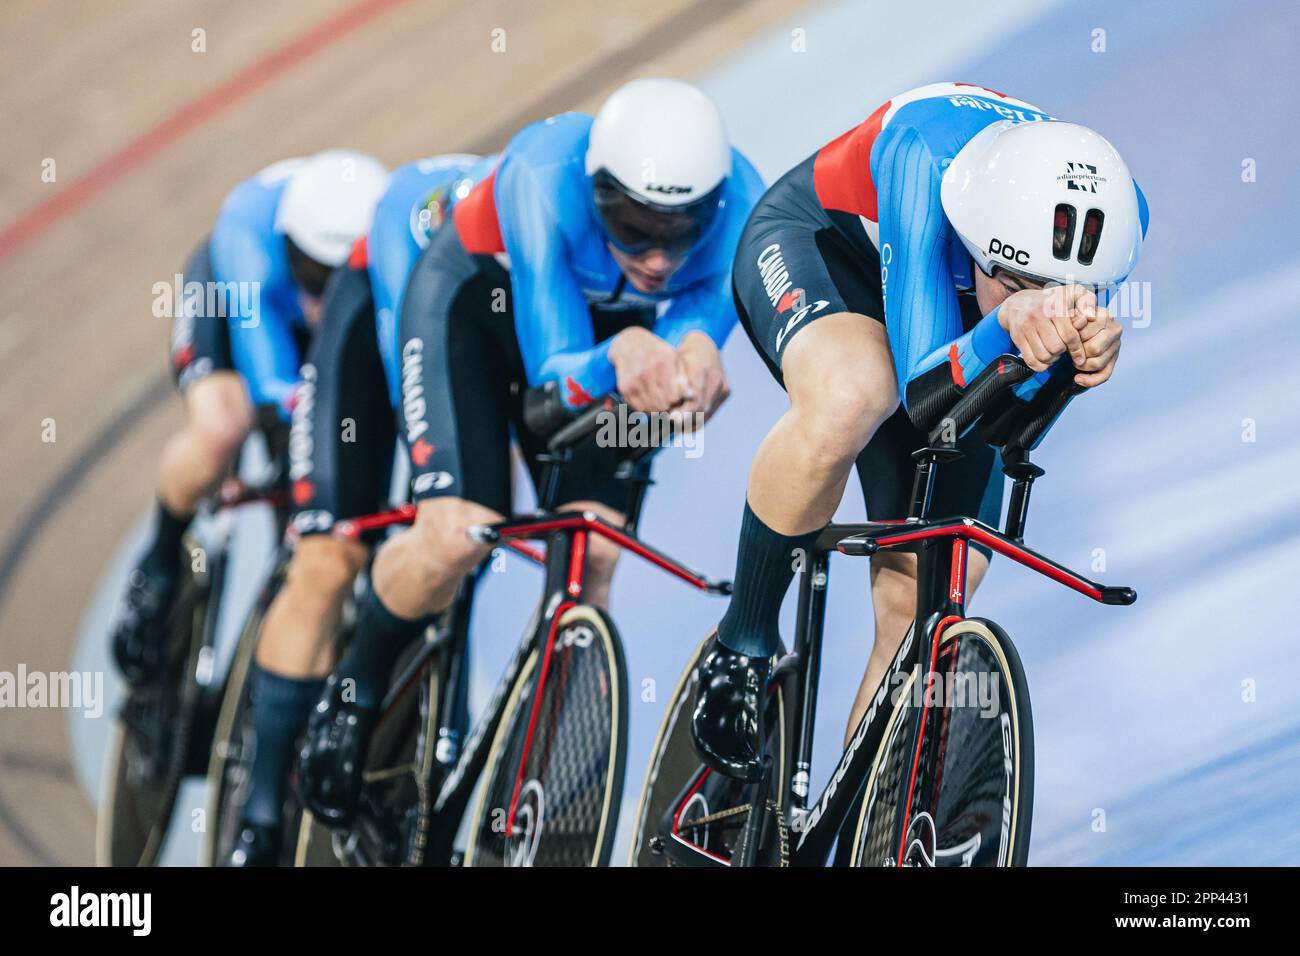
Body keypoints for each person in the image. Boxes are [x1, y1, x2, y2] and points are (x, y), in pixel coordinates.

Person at [298, 77, 766, 826]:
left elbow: (705, 310)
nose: (656, 254)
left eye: (680, 231)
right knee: (456, 532)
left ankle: (540, 784)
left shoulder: (744, 198)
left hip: (614, 344)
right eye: (632, 224)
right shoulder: (543, 172)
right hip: (476, 314)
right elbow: (551, 382)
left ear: (712, 205)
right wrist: (624, 361)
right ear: (596, 189)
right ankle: (350, 696)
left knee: (596, 555)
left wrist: (699, 348)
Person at [690, 82, 1149, 780]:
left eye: (1063, 292)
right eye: (1020, 280)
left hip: (953, 310)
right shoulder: (924, 159)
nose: (1045, 300)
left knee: (923, 604)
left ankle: (857, 832)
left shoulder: (1111, 217)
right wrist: (1003, 328)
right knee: (852, 395)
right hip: (824, 247)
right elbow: (922, 403)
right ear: (978, 242)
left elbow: (1003, 430)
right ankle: (743, 643)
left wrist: (1073, 369)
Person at [224, 154, 489, 866]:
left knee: (461, 545)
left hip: (457, 330)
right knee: (329, 556)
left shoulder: (521, 239)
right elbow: (408, 366)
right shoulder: (306, 249)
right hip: (377, 328)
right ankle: (259, 822)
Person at [111, 150, 389, 686]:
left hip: (325, 334)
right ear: (289, 248)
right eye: (312, 276)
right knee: (222, 428)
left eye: (341, 279)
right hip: (232, 300)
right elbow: (272, 383)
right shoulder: (250, 238)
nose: (322, 298)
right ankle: (162, 562)